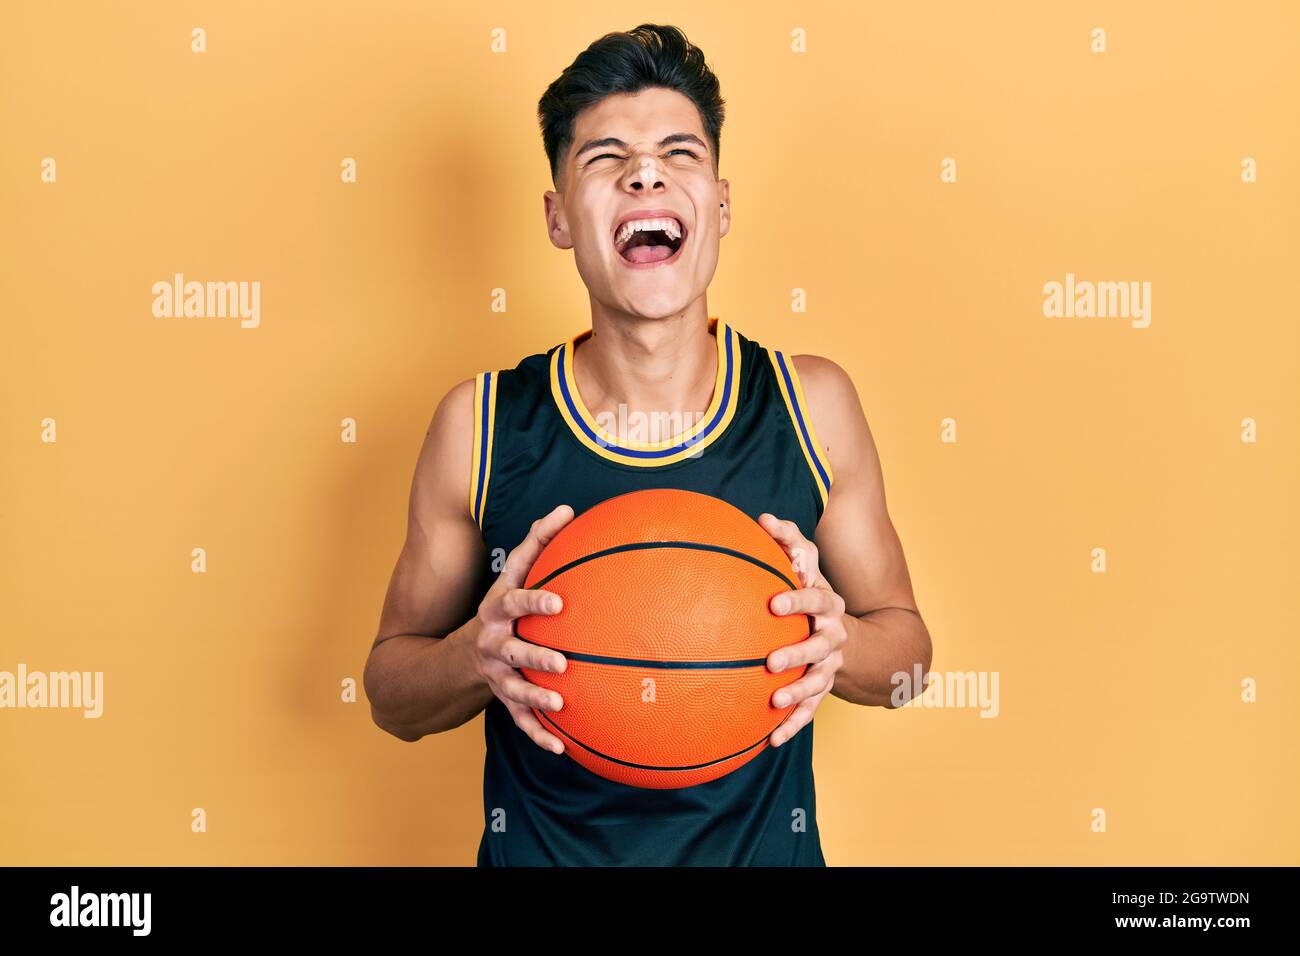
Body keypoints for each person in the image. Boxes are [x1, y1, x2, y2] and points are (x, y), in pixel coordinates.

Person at [363, 23, 932, 866]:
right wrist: (473, 656)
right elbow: (388, 697)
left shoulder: (810, 406)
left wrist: (842, 643)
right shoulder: (480, 425)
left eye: (678, 152)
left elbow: (911, 669)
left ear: (722, 205)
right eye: (604, 158)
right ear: (558, 219)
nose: (645, 172)